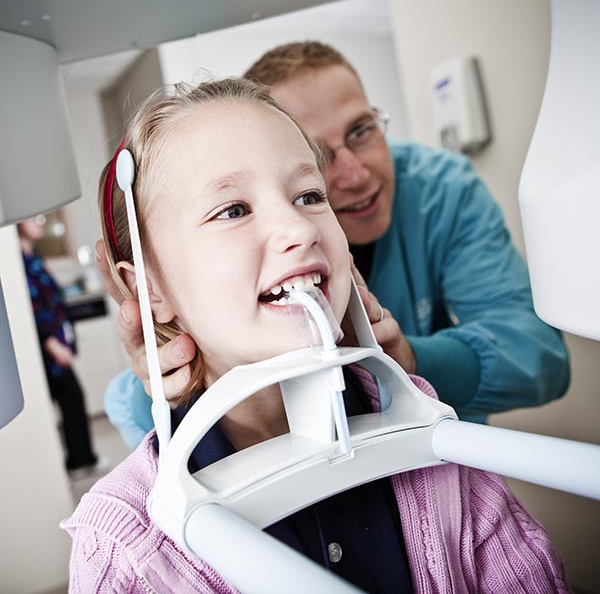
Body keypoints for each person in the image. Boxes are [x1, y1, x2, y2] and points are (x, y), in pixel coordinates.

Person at [61, 77, 568, 593]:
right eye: (232, 210)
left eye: (309, 195)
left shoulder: (427, 435)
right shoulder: (126, 553)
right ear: (148, 287)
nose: (300, 230)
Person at [99, 41, 570, 448]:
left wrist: (407, 364)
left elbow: (539, 356)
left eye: (362, 131)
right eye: (319, 156)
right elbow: (130, 409)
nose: (355, 174)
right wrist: (169, 383)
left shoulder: (440, 191)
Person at [18, 217, 99, 472]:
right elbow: (30, 309)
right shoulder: (19, 263)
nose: (39, 221)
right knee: (71, 397)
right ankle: (80, 461)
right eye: (32, 218)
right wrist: (52, 343)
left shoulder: (33, 258)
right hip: (46, 350)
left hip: (54, 344)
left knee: (71, 399)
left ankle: (80, 459)